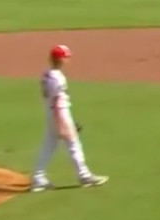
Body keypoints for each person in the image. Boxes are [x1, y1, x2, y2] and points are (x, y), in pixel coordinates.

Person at [30, 45, 109, 191]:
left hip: (50, 113)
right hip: (59, 113)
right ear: (60, 59)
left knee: (48, 145)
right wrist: (62, 124)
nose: (68, 60)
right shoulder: (58, 78)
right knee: (73, 144)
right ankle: (84, 175)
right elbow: (56, 102)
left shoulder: (46, 73)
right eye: (66, 57)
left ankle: (38, 178)